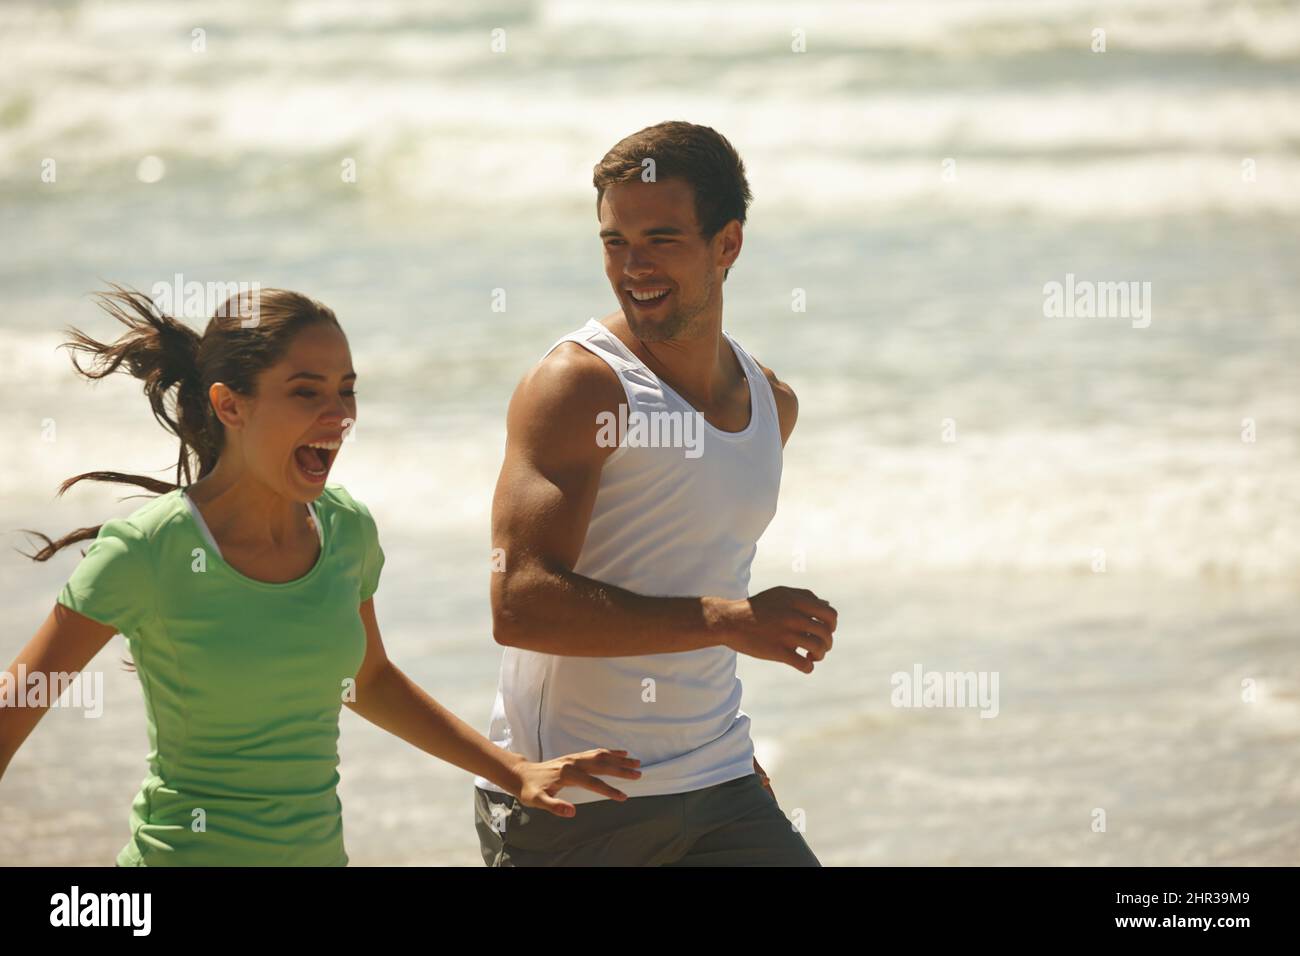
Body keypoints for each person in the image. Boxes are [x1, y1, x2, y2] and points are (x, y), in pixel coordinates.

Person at [0, 285, 640, 866]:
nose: (338, 415)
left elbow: (367, 679)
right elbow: (18, 702)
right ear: (230, 404)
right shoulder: (149, 550)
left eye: (346, 389)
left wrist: (513, 771)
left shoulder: (345, 533)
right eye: (306, 391)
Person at [473, 121, 838, 866]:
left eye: (661, 240)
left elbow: (694, 575)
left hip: (721, 783)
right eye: (614, 242)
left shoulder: (771, 404)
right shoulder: (579, 385)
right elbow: (520, 604)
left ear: (727, 244)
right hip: (579, 797)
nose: (632, 266)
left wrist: (736, 756)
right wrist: (729, 620)